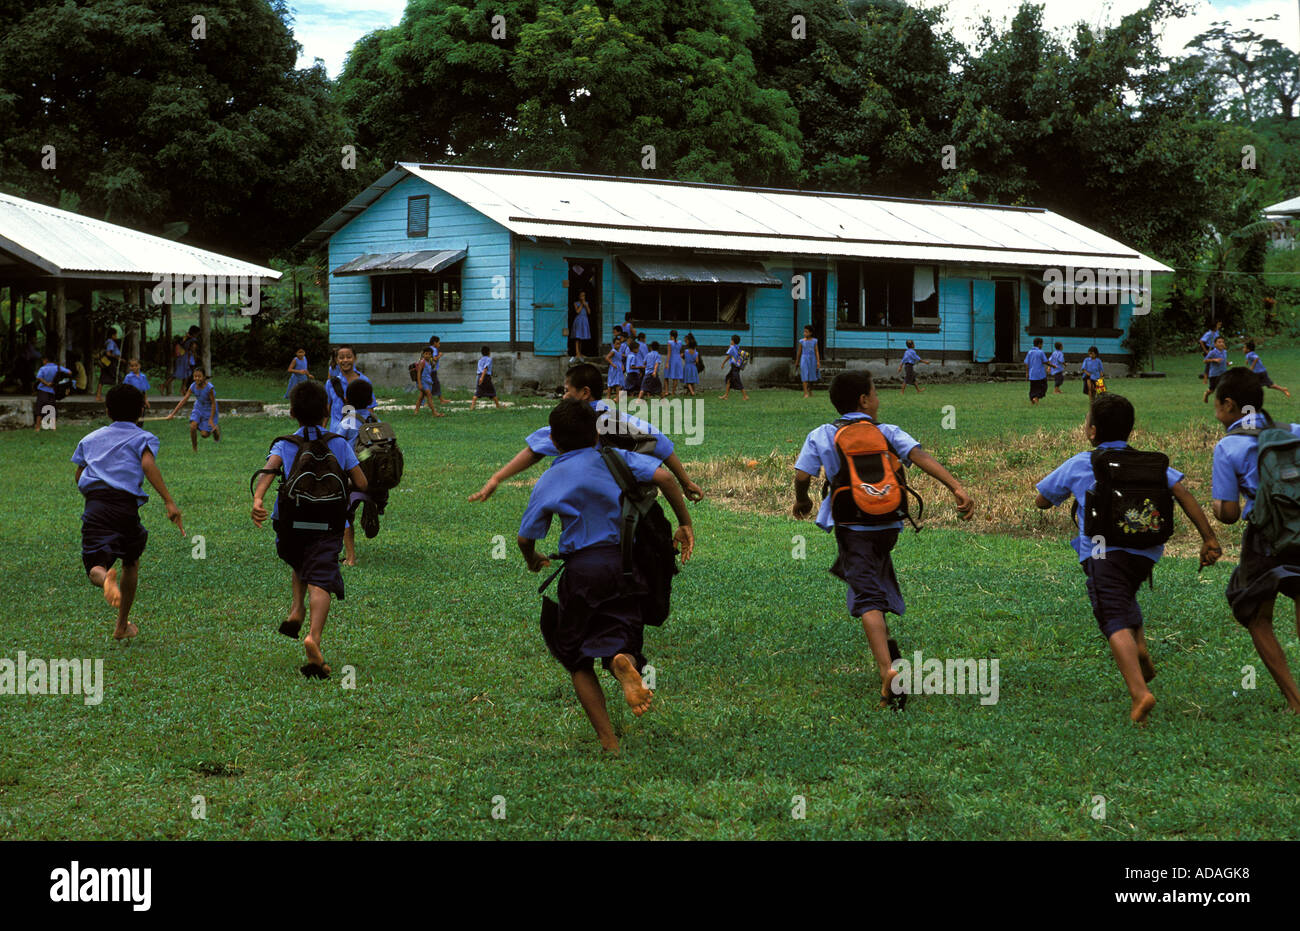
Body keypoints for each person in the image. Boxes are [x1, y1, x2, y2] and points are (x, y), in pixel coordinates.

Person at [516, 399, 694, 752]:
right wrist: (685, 523)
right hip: (623, 566)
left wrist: (532, 558)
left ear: (553, 439)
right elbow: (663, 476)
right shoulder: (614, 459)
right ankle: (623, 661)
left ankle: (608, 740)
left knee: (577, 658)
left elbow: (525, 537)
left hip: (581, 571)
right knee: (622, 635)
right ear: (598, 433)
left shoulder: (550, 477)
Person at [1035, 394, 1221, 723]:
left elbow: (1042, 501)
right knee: (1123, 596)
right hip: (1146, 553)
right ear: (1130, 430)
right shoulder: (1151, 464)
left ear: (1092, 431)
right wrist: (1209, 538)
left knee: (1111, 617)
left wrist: (1052, 497)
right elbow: (1184, 494)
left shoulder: (1082, 462)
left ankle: (1139, 693)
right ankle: (1141, 649)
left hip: (1102, 553)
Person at [793, 370, 974, 707]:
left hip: (852, 527)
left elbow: (803, 474)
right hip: (889, 526)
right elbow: (920, 458)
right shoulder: (887, 432)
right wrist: (956, 487)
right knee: (868, 574)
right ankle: (892, 651)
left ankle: (888, 671)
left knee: (867, 598)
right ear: (864, 400)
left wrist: (802, 499)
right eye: (876, 393)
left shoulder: (821, 434)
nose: (879, 399)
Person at [251, 380, 367, 679]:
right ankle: (313, 637)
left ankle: (295, 610)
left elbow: (268, 470)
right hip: (328, 525)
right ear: (327, 411)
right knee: (321, 580)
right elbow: (362, 483)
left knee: (302, 561)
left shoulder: (285, 443)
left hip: (290, 526)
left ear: (292, 413)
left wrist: (258, 498)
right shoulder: (338, 444)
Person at [470, 363, 706, 505]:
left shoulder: (578, 422)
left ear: (584, 393)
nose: (563, 396)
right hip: (629, 505)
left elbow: (534, 450)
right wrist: (685, 482)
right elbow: (660, 444)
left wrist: (497, 477)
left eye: (566, 391)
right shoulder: (614, 419)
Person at [1211, 368, 1300, 712]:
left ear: (1229, 406)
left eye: (1217, 404)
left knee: (1256, 615)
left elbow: (1230, 513)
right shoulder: (1292, 432)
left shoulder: (1228, 446)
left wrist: (1218, 504)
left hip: (1266, 539)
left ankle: (1295, 700)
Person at [72, 384, 184, 640]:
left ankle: (104, 579)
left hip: (96, 504)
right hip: (126, 506)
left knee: (94, 566)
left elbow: (80, 474)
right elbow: (147, 464)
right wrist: (169, 501)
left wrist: (92, 496)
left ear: (108, 411)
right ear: (141, 410)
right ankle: (121, 625)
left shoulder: (89, 439)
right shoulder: (142, 438)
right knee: (130, 561)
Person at [165, 367, 221, 449]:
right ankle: (194, 449)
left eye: (199, 376)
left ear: (204, 377)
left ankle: (215, 430)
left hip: (209, 410)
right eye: (195, 376)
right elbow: (183, 400)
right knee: (192, 426)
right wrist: (172, 414)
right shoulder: (193, 386)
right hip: (198, 408)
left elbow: (213, 404)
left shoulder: (209, 388)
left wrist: (211, 419)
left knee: (204, 435)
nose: (197, 378)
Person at [325, 345, 371, 425]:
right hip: (337, 433)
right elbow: (326, 411)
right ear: (336, 360)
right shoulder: (331, 383)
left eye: (349, 357)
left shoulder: (364, 381)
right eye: (341, 358)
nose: (345, 360)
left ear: (355, 358)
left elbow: (370, 409)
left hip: (358, 433)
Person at [33, 354, 71, 432]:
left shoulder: (43, 368)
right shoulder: (58, 368)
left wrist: (46, 383)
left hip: (43, 390)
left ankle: (37, 427)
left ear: (46, 360)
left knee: (39, 408)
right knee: (52, 408)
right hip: (53, 391)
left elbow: (39, 377)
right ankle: (53, 427)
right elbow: (69, 372)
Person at [414, 346, 445, 417]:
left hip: (428, 382)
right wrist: (419, 384)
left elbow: (430, 370)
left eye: (429, 354)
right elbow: (418, 373)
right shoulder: (422, 362)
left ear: (431, 355)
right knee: (429, 396)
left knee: (421, 397)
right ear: (423, 354)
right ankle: (434, 412)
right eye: (426, 354)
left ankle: (416, 411)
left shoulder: (429, 362)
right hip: (423, 382)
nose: (427, 355)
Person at [95, 327, 122, 401]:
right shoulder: (110, 342)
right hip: (110, 362)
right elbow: (108, 353)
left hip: (106, 362)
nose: (116, 336)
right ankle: (117, 396)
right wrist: (116, 357)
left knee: (102, 378)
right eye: (115, 334)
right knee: (118, 378)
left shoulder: (107, 341)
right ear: (112, 335)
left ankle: (98, 396)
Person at [719, 334, 748, 401]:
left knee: (737, 381)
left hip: (734, 367)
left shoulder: (732, 348)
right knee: (729, 380)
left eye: (731, 340)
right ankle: (726, 395)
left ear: (733, 341)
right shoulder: (737, 347)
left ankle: (745, 396)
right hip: (735, 367)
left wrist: (723, 363)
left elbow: (728, 356)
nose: (730, 341)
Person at [472, 345, 500, 409]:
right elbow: (485, 368)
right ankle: (498, 406)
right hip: (485, 377)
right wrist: (482, 377)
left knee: (478, 392)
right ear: (489, 352)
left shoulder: (480, 360)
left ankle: (472, 407)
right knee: (492, 392)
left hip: (479, 376)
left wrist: (480, 377)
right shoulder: (489, 359)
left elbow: (480, 369)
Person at [1202, 335, 1229, 404]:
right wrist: (1214, 360)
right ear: (1215, 344)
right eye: (1219, 342)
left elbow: (1223, 360)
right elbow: (1205, 361)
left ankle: (1222, 401)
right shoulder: (1212, 352)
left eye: (1222, 342)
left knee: (1224, 387)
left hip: (1223, 373)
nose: (1221, 344)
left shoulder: (1224, 352)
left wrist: (1226, 363)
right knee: (1212, 390)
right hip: (1214, 374)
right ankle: (1206, 394)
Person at [798, 326, 821, 397]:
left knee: (812, 375)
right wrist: (797, 362)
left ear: (810, 333)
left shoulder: (814, 341)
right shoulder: (802, 341)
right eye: (804, 331)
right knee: (804, 374)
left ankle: (810, 390)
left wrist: (818, 361)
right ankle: (805, 393)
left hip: (812, 359)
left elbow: (816, 351)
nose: (804, 333)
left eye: (806, 332)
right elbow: (799, 352)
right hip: (804, 358)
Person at [1025, 337, 1048, 405]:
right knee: (1043, 387)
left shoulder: (1029, 352)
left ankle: (1032, 398)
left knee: (1033, 387)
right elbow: (1045, 361)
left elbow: (1026, 363)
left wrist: (1027, 372)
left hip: (1032, 374)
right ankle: (1036, 398)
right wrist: (1053, 366)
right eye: (1042, 344)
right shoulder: (1041, 352)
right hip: (1040, 374)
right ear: (1039, 344)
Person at [571, 291, 592, 362]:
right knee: (577, 337)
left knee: (582, 337)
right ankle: (577, 353)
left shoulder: (587, 303)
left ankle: (580, 353)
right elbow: (577, 311)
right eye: (581, 296)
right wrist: (582, 305)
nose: (583, 297)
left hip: (584, 320)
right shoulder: (576, 303)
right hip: (579, 320)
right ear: (579, 296)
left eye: (584, 296)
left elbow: (589, 312)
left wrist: (585, 305)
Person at [605, 331, 625, 400]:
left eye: (619, 344)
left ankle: (617, 397)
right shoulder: (613, 351)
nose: (618, 345)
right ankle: (608, 397)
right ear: (614, 344)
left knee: (619, 383)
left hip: (619, 368)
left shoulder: (619, 351)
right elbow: (607, 358)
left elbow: (620, 359)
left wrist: (622, 365)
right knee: (612, 383)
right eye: (616, 344)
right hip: (614, 368)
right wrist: (612, 364)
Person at [665, 330, 684, 396]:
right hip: (678, 360)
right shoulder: (680, 342)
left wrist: (667, 363)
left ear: (671, 336)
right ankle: (673, 392)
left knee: (666, 375)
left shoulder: (669, 342)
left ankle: (667, 391)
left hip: (671, 359)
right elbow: (681, 352)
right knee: (675, 377)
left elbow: (669, 353)